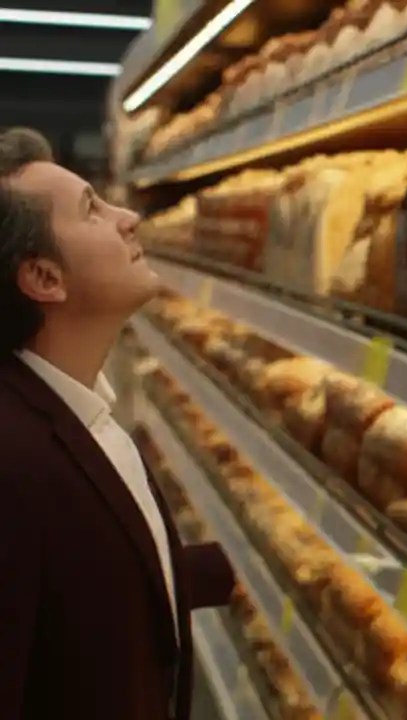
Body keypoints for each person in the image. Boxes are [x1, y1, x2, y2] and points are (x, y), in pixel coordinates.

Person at [0, 127, 235, 719]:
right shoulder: (13, 464)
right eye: (92, 210)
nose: (127, 215)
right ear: (45, 279)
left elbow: (80, 581)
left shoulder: (76, 408)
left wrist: (235, 571)